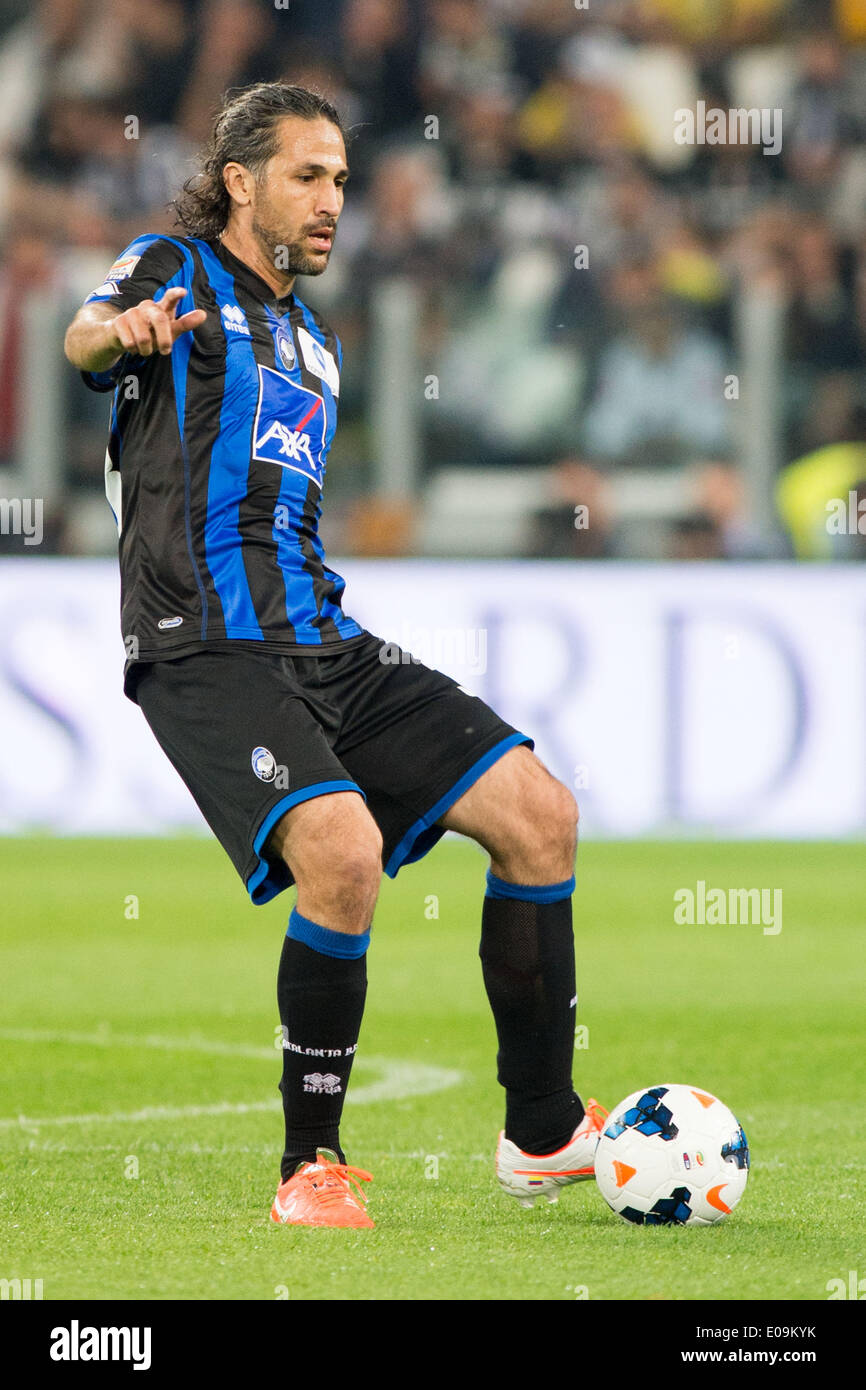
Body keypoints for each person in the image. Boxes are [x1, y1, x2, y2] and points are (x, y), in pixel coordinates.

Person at [63, 82, 606, 1229]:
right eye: (308, 175)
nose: (330, 201)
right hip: (203, 643)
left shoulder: (316, 342)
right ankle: (309, 1165)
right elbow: (85, 340)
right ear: (240, 180)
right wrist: (123, 336)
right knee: (342, 850)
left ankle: (543, 1131)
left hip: (324, 640)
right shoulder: (175, 270)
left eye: (343, 179)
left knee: (539, 814)